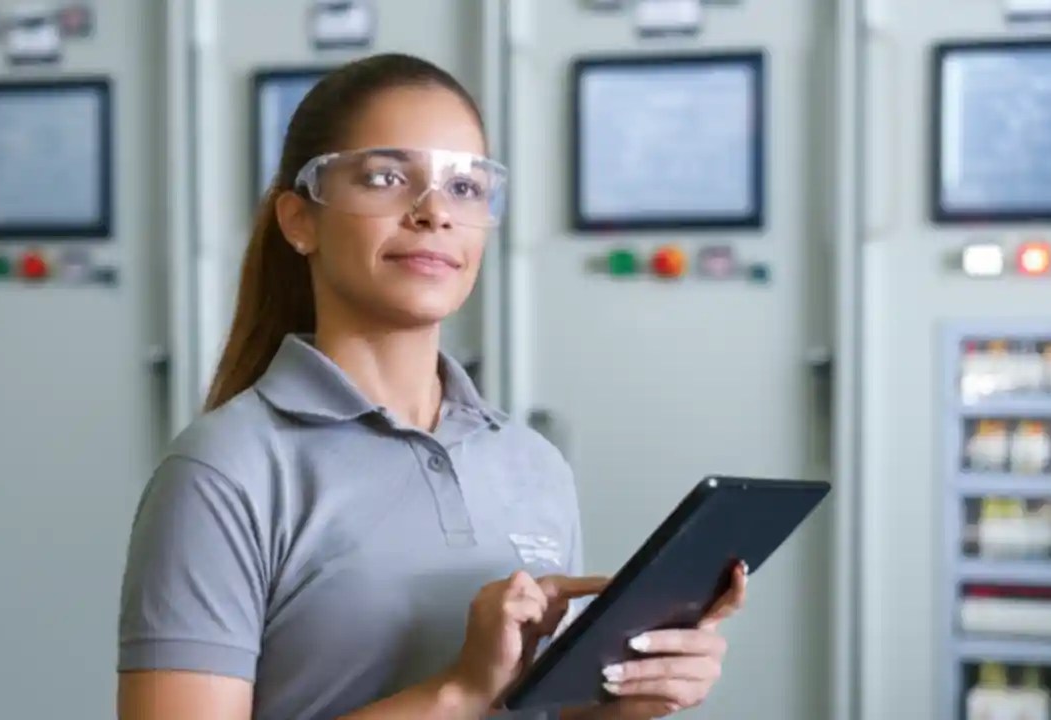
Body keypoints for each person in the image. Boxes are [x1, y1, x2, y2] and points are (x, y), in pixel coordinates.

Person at [115, 52, 748, 720]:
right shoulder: (225, 471)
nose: (433, 212)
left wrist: (620, 702)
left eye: (466, 188)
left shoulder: (532, 464)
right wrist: (459, 691)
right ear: (300, 220)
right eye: (387, 177)